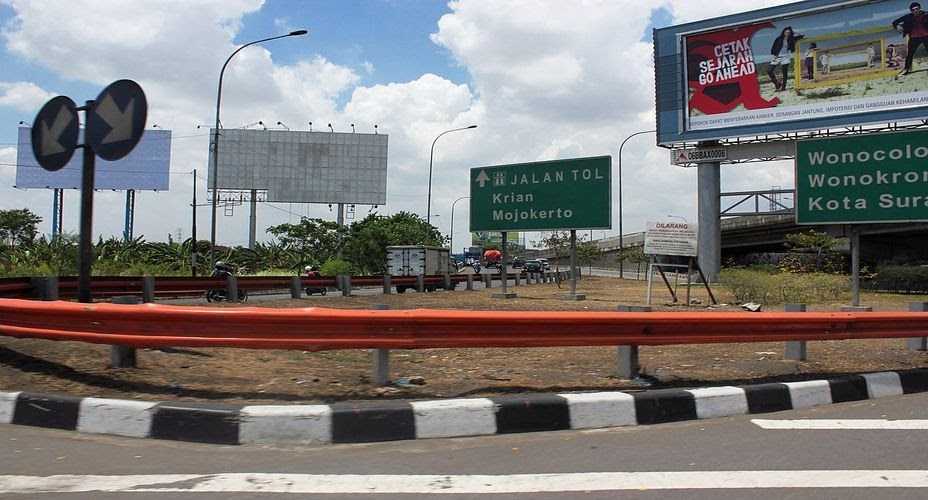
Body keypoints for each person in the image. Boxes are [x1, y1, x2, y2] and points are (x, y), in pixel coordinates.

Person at [892, 2, 928, 76]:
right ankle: (906, 70)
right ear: (911, 11)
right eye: (913, 10)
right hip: (914, 38)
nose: (915, 11)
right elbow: (894, 22)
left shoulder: (926, 15)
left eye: (916, 9)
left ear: (920, 8)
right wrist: (899, 28)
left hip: (926, 36)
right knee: (910, 54)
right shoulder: (908, 17)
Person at [768, 26, 805, 91]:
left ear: (790, 33)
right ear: (783, 32)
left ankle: (783, 87)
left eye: (789, 32)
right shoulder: (778, 39)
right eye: (786, 32)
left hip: (785, 56)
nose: (787, 33)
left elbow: (802, 36)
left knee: (784, 72)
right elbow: (773, 47)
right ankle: (777, 83)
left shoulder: (792, 39)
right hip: (777, 56)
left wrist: (795, 31)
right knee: (769, 71)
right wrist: (773, 55)